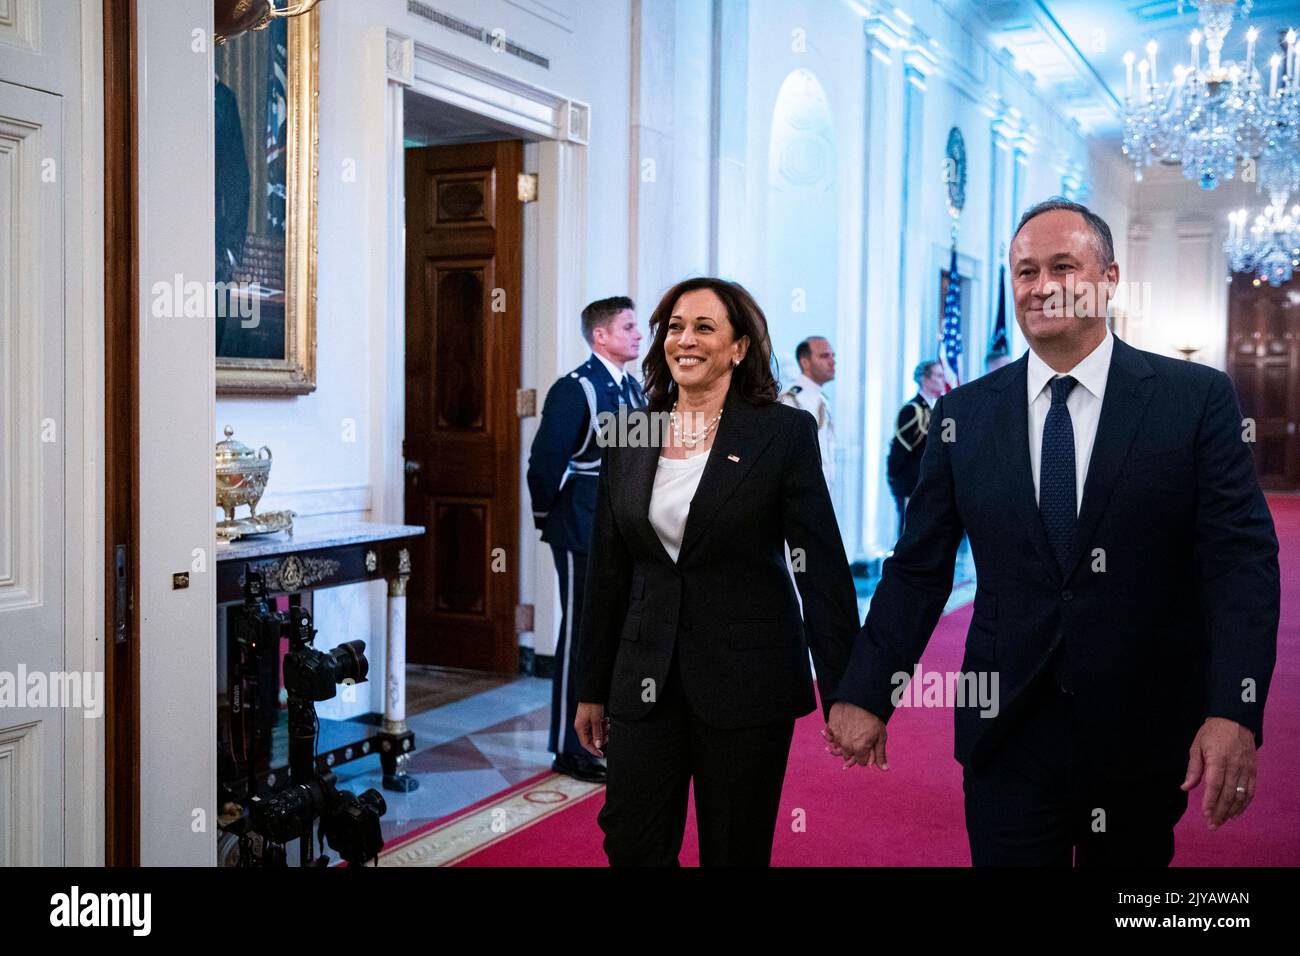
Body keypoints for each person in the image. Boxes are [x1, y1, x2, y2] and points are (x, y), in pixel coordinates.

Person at [827, 198, 1280, 866]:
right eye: (1025, 271)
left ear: (1109, 279)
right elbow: (919, 568)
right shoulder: (962, 416)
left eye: (1063, 266)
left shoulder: (1193, 401)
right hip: (1005, 732)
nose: (1041, 286)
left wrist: (1234, 708)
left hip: (1141, 732)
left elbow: (1240, 565)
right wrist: (868, 691)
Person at [574, 277, 859, 866]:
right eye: (675, 327)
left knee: (734, 851)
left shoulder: (780, 433)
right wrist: (591, 687)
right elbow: (608, 571)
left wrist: (847, 692)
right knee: (631, 843)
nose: (685, 340)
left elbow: (820, 569)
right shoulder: (629, 432)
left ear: (739, 348)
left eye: (705, 328)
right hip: (644, 680)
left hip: (747, 682)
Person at [527, 296, 643, 783]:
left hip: (626, 524)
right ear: (601, 335)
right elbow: (543, 464)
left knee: (617, 632)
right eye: (628, 327)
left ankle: (607, 735)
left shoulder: (633, 388)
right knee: (582, 634)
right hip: (581, 524)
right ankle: (569, 747)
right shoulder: (575, 388)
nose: (639, 335)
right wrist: (551, 517)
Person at [886, 360, 945, 538]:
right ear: (925, 380)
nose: (943, 380)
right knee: (908, 533)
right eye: (939, 376)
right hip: (911, 483)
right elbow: (900, 449)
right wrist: (894, 478)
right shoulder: (912, 410)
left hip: (929, 484)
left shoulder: (938, 409)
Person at [779, 336, 837, 492]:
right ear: (805, 363)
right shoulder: (791, 401)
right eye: (824, 356)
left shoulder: (822, 399)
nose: (832, 361)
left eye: (833, 356)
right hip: (802, 492)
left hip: (822, 492)